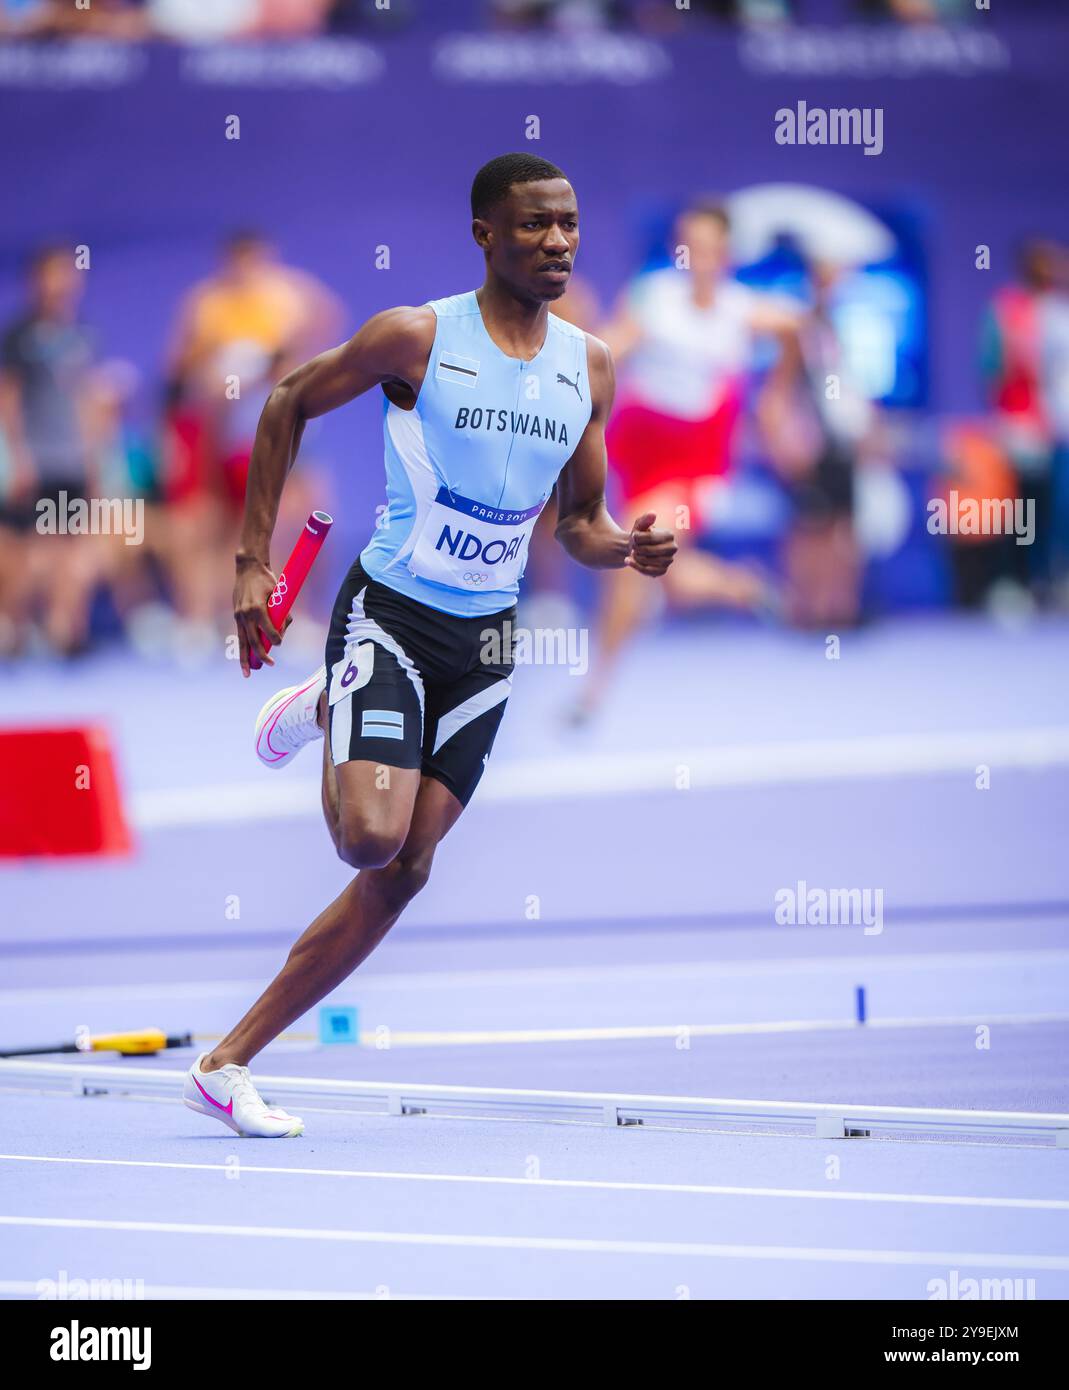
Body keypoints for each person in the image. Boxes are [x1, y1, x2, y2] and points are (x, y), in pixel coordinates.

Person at [183, 153, 677, 1137]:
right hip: (394, 613)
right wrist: (251, 566)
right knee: (365, 834)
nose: (557, 243)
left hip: (485, 642)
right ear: (484, 235)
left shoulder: (589, 365)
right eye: (533, 225)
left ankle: (224, 1062)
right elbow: (283, 400)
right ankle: (337, 695)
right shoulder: (415, 337)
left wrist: (624, 547)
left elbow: (577, 521)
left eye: (570, 225)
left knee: (405, 870)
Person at [574, 199, 797, 719]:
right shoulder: (654, 296)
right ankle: (740, 586)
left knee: (634, 554)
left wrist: (777, 399)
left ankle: (594, 691)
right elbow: (610, 350)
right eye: (687, 244)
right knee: (661, 576)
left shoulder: (743, 311)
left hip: (693, 465)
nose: (696, 255)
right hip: (636, 455)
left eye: (708, 246)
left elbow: (794, 331)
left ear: (727, 253)